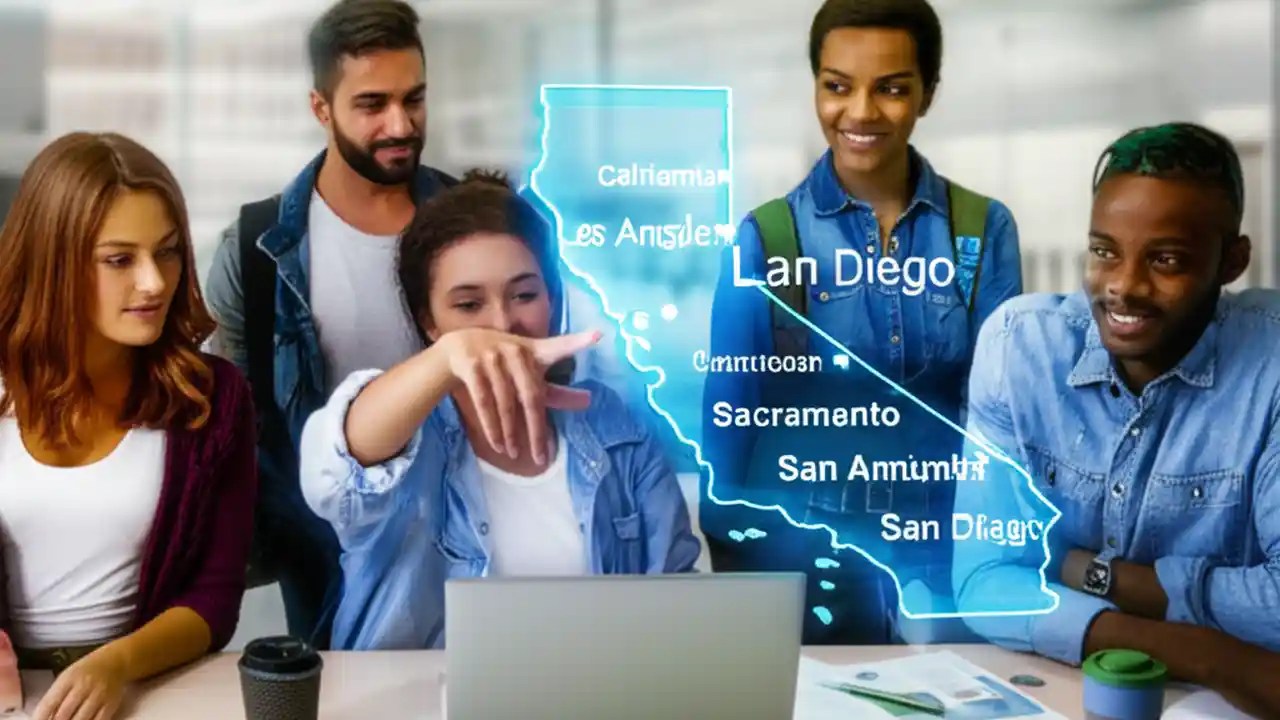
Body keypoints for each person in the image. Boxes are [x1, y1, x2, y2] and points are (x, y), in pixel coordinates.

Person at [701, 0, 1022, 645]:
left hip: (944, 553)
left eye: (892, 89)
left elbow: (1004, 425)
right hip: (804, 553)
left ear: (927, 94)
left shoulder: (980, 231)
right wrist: (733, 583)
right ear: (816, 86)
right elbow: (727, 431)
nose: (861, 113)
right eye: (837, 86)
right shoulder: (768, 239)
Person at [954, 122, 1280, 717]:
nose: (1124, 287)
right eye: (1104, 251)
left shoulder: (1272, 365)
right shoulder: (1018, 347)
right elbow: (986, 581)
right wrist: (1211, 654)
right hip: (1075, 688)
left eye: (1167, 260)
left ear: (1233, 261)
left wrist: (1084, 572)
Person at [299, 172, 701, 650]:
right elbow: (334, 472)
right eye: (468, 305)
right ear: (428, 321)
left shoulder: (616, 427)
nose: (501, 324)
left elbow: (678, 606)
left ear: (552, 298)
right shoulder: (404, 434)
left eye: (524, 295)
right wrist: (451, 358)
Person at [204, 0, 456, 648]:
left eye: (414, 99)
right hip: (323, 561)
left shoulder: (478, 224)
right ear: (322, 108)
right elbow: (237, 433)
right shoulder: (257, 251)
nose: (400, 124)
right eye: (372, 104)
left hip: (469, 542)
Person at [0, 132, 257, 720]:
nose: (154, 282)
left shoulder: (213, 399)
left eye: (166, 252)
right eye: (120, 260)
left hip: (152, 686)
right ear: (53, 261)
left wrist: (115, 665)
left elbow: (214, 599)